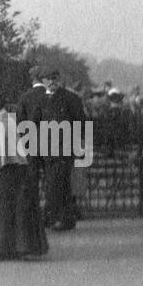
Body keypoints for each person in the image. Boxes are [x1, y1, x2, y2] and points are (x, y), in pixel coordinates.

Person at [0, 86, 47, 261]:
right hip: (19, 169)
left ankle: (3, 248)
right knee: (18, 209)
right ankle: (20, 246)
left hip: (2, 171)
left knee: (1, 209)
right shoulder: (10, 119)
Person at [38, 66, 85, 231]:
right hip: (47, 148)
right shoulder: (42, 100)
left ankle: (58, 217)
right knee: (58, 184)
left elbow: (81, 122)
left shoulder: (71, 99)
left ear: (59, 80)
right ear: (43, 81)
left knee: (57, 184)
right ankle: (63, 217)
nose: (51, 82)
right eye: (48, 79)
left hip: (65, 148)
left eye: (54, 79)